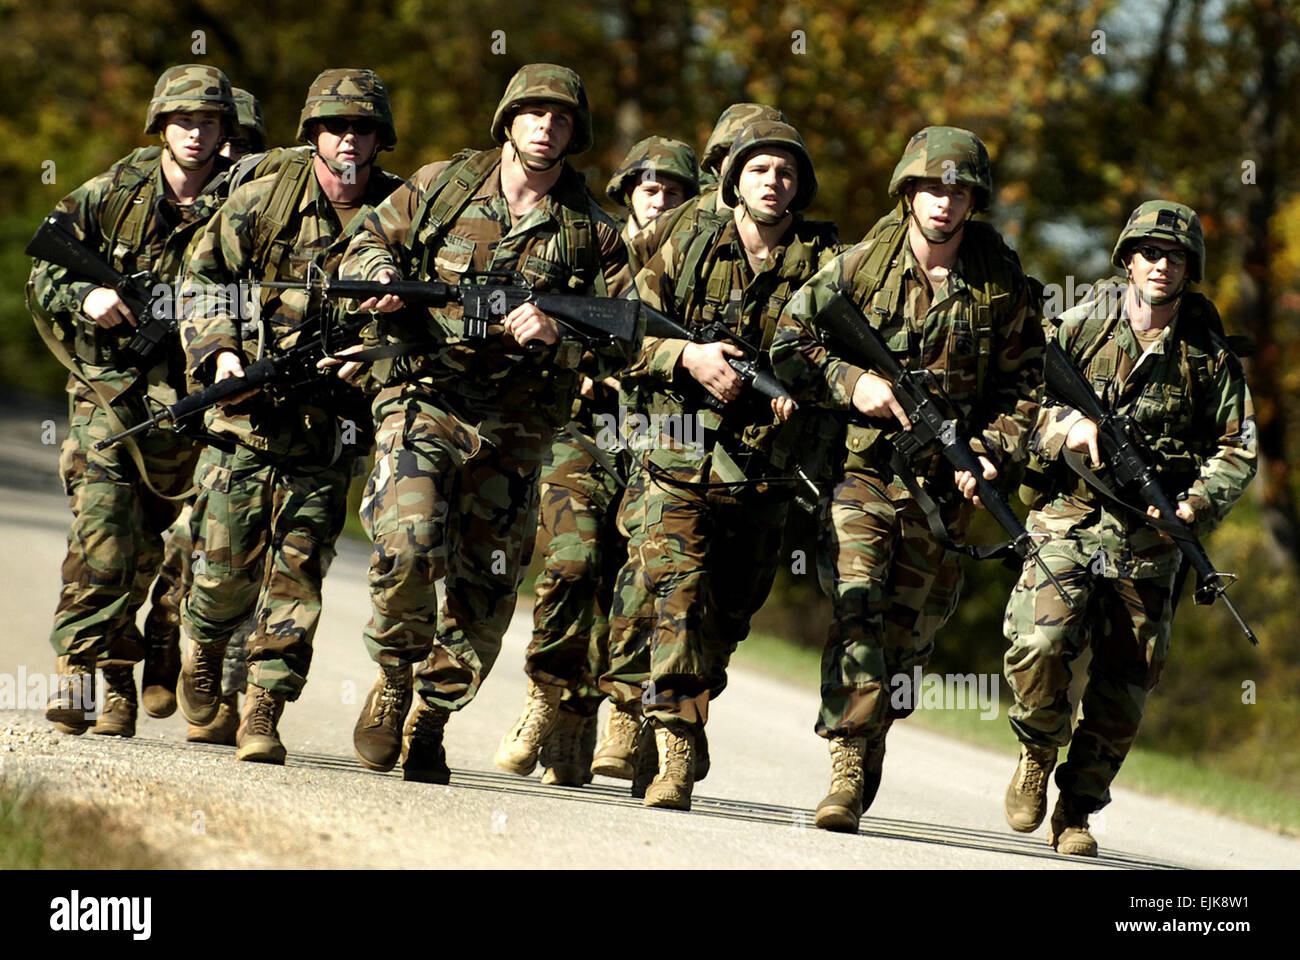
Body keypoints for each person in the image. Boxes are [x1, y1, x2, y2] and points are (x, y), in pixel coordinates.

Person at [340, 63, 632, 784]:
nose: (545, 126)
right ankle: (396, 679)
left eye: (561, 118)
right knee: (407, 545)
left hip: (517, 428)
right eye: (533, 113)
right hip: (425, 397)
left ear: (575, 133)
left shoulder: (592, 232)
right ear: (508, 121)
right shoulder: (441, 185)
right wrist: (380, 276)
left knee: (486, 589)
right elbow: (367, 239)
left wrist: (559, 333)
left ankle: (432, 718)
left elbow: (629, 330)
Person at [771, 126, 1044, 832]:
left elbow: (1028, 390)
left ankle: (875, 728)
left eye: (958, 191)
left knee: (908, 634)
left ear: (972, 201)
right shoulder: (863, 265)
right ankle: (845, 758)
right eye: (931, 188)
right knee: (857, 600)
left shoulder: (1000, 286)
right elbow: (789, 341)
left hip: (943, 485)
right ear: (909, 192)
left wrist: (991, 452)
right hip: (863, 470)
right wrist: (850, 379)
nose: (944, 203)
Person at [1001, 200, 1256, 855]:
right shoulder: (1082, 325)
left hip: (1151, 539)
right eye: (1150, 253)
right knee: (1038, 643)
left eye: (1175, 257)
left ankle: (1077, 812)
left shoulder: (1210, 358)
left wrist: (1194, 507)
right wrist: (1070, 426)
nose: (1161, 266)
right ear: (1128, 259)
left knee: (1126, 685)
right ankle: (1035, 750)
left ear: (1190, 269)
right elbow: (1024, 403)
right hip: (1068, 517)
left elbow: (1238, 446)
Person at [599, 120, 839, 809]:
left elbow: (850, 349)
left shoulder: (826, 260)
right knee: (675, 596)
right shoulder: (686, 239)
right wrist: (688, 358)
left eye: (787, 172)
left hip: (766, 472)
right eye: (760, 168)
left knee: (723, 621)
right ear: (734, 180)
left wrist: (809, 384)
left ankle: (683, 706)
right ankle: (672, 745)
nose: (773, 181)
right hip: (678, 455)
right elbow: (623, 330)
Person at [177, 68, 404, 763]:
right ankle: (205, 647)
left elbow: (429, 311)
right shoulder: (265, 196)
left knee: (297, 576)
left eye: (362, 128)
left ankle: (264, 711)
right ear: (313, 133)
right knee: (220, 575)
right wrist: (220, 358)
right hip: (245, 416)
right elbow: (204, 277)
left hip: (328, 431)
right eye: (335, 126)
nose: (348, 140)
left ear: (378, 138)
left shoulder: (402, 212)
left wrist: (376, 352)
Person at [30, 64, 237, 740]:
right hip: (110, 395)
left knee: (159, 550)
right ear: (160, 125)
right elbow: (45, 266)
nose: (195, 132)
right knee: (104, 526)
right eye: (182, 120)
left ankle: (128, 665)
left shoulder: (243, 200)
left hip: (199, 406)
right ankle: (77, 666)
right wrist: (84, 296)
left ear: (224, 130)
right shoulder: (115, 191)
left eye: (207, 121)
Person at [494, 135, 700, 786]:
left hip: (665, 441)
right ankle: (548, 696)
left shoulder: (699, 265)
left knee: (638, 579)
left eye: (674, 191)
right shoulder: (594, 246)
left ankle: (617, 714)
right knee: (576, 559)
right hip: (582, 433)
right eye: (648, 188)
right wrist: (575, 366)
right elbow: (536, 324)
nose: (659, 200)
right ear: (628, 194)